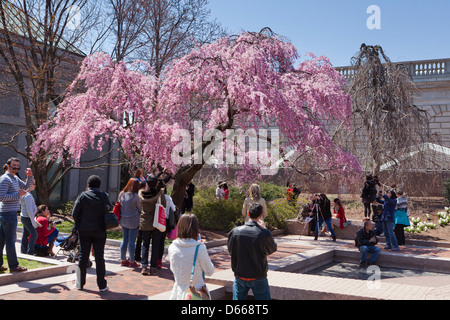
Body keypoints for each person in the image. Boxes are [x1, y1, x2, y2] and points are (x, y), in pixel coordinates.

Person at [228, 203, 277, 300]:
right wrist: (264, 230)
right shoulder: (263, 233)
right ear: (260, 216)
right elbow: (272, 248)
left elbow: (231, 251)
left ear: (247, 213)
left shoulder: (234, 232)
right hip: (258, 275)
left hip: (240, 274)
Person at [72, 175, 112, 292]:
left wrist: (79, 223)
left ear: (88, 185)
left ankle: (80, 283)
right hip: (100, 230)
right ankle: (102, 285)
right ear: (99, 186)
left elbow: (75, 213)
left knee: (83, 257)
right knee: (99, 257)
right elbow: (110, 208)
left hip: (84, 230)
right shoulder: (104, 196)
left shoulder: (82, 196)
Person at [168, 213, 214, 300]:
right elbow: (210, 271)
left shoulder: (172, 247)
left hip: (179, 293)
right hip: (196, 294)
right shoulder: (200, 248)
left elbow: (173, 269)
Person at [0, 157, 34, 272]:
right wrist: (17, 195)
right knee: (10, 241)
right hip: (8, 213)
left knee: (2, 240)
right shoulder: (5, 179)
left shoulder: (14, 178)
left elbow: (26, 187)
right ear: (8, 165)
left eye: (17, 166)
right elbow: (1, 197)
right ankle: (14, 266)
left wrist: (30, 177)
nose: (15, 167)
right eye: (13, 165)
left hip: (7, 213)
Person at [139, 174, 166, 276]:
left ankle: (144, 267)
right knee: (155, 245)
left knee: (145, 244)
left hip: (145, 222)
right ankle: (153, 268)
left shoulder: (141, 194)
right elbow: (164, 205)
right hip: (156, 222)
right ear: (156, 184)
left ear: (147, 183)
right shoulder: (159, 194)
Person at [118, 178, 142, 267]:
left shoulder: (121, 194)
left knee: (124, 240)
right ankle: (132, 261)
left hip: (123, 220)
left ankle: (123, 259)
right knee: (132, 241)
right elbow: (140, 208)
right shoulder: (136, 196)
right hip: (133, 221)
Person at [20, 180, 40, 255]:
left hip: (25, 217)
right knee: (34, 234)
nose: (35, 185)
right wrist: (33, 222)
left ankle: (23, 251)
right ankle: (30, 252)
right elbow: (29, 211)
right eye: (34, 184)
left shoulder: (26, 194)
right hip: (26, 218)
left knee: (25, 234)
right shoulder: (27, 196)